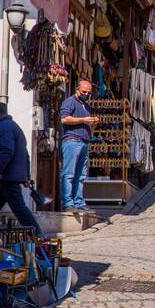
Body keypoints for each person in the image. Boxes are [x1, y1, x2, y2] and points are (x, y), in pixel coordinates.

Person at [0, 103, 42, 235]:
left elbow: (6, 151)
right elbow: (25, 154)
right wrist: (26, 176)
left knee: (19, 208)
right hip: (8, 176)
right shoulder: (12, 126)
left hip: (7, 176)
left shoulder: (4, 128)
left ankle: (37, 234)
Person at [59, 79, 98, 215]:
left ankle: (79, 202)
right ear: (77, 89)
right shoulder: (70, 101)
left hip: (84, 142)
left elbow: (85, 123)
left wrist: (92, 122)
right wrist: (84, 120)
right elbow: (64, 119)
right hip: (72, 140)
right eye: (84, 92)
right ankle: (68, 203)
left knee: (80, 175)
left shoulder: (86, 106)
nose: (86, 95)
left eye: (88, 93)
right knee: (69, 173)